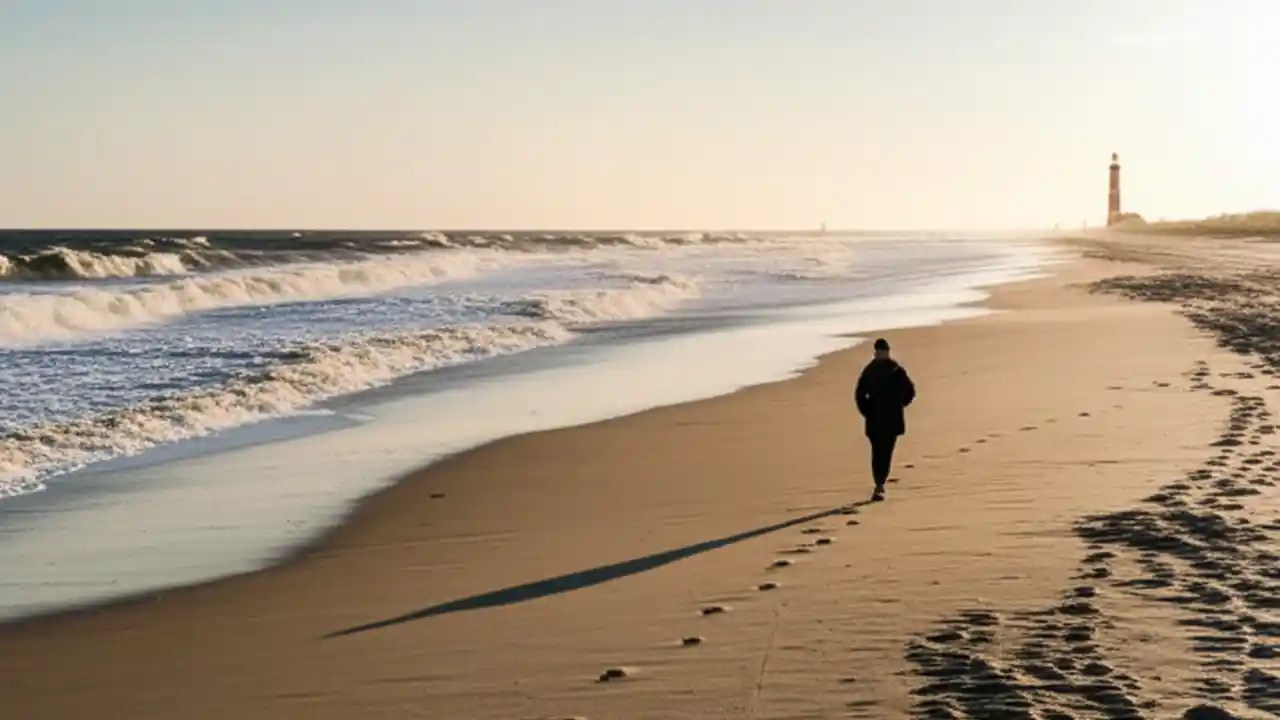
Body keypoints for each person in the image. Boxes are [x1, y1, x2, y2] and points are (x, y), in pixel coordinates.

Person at [854, 338, 916, 501]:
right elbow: (859, 395)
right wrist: (867, 411)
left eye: (884, 351)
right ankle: (879, 483)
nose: (882, 354)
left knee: (886, 452)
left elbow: (910, 391)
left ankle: (880, 482)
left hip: (891, 419)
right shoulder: (869, 371)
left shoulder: (896, 369)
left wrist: (900, 404)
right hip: (875, 419)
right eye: (880, 351)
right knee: (877, 452)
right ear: (876, 352)